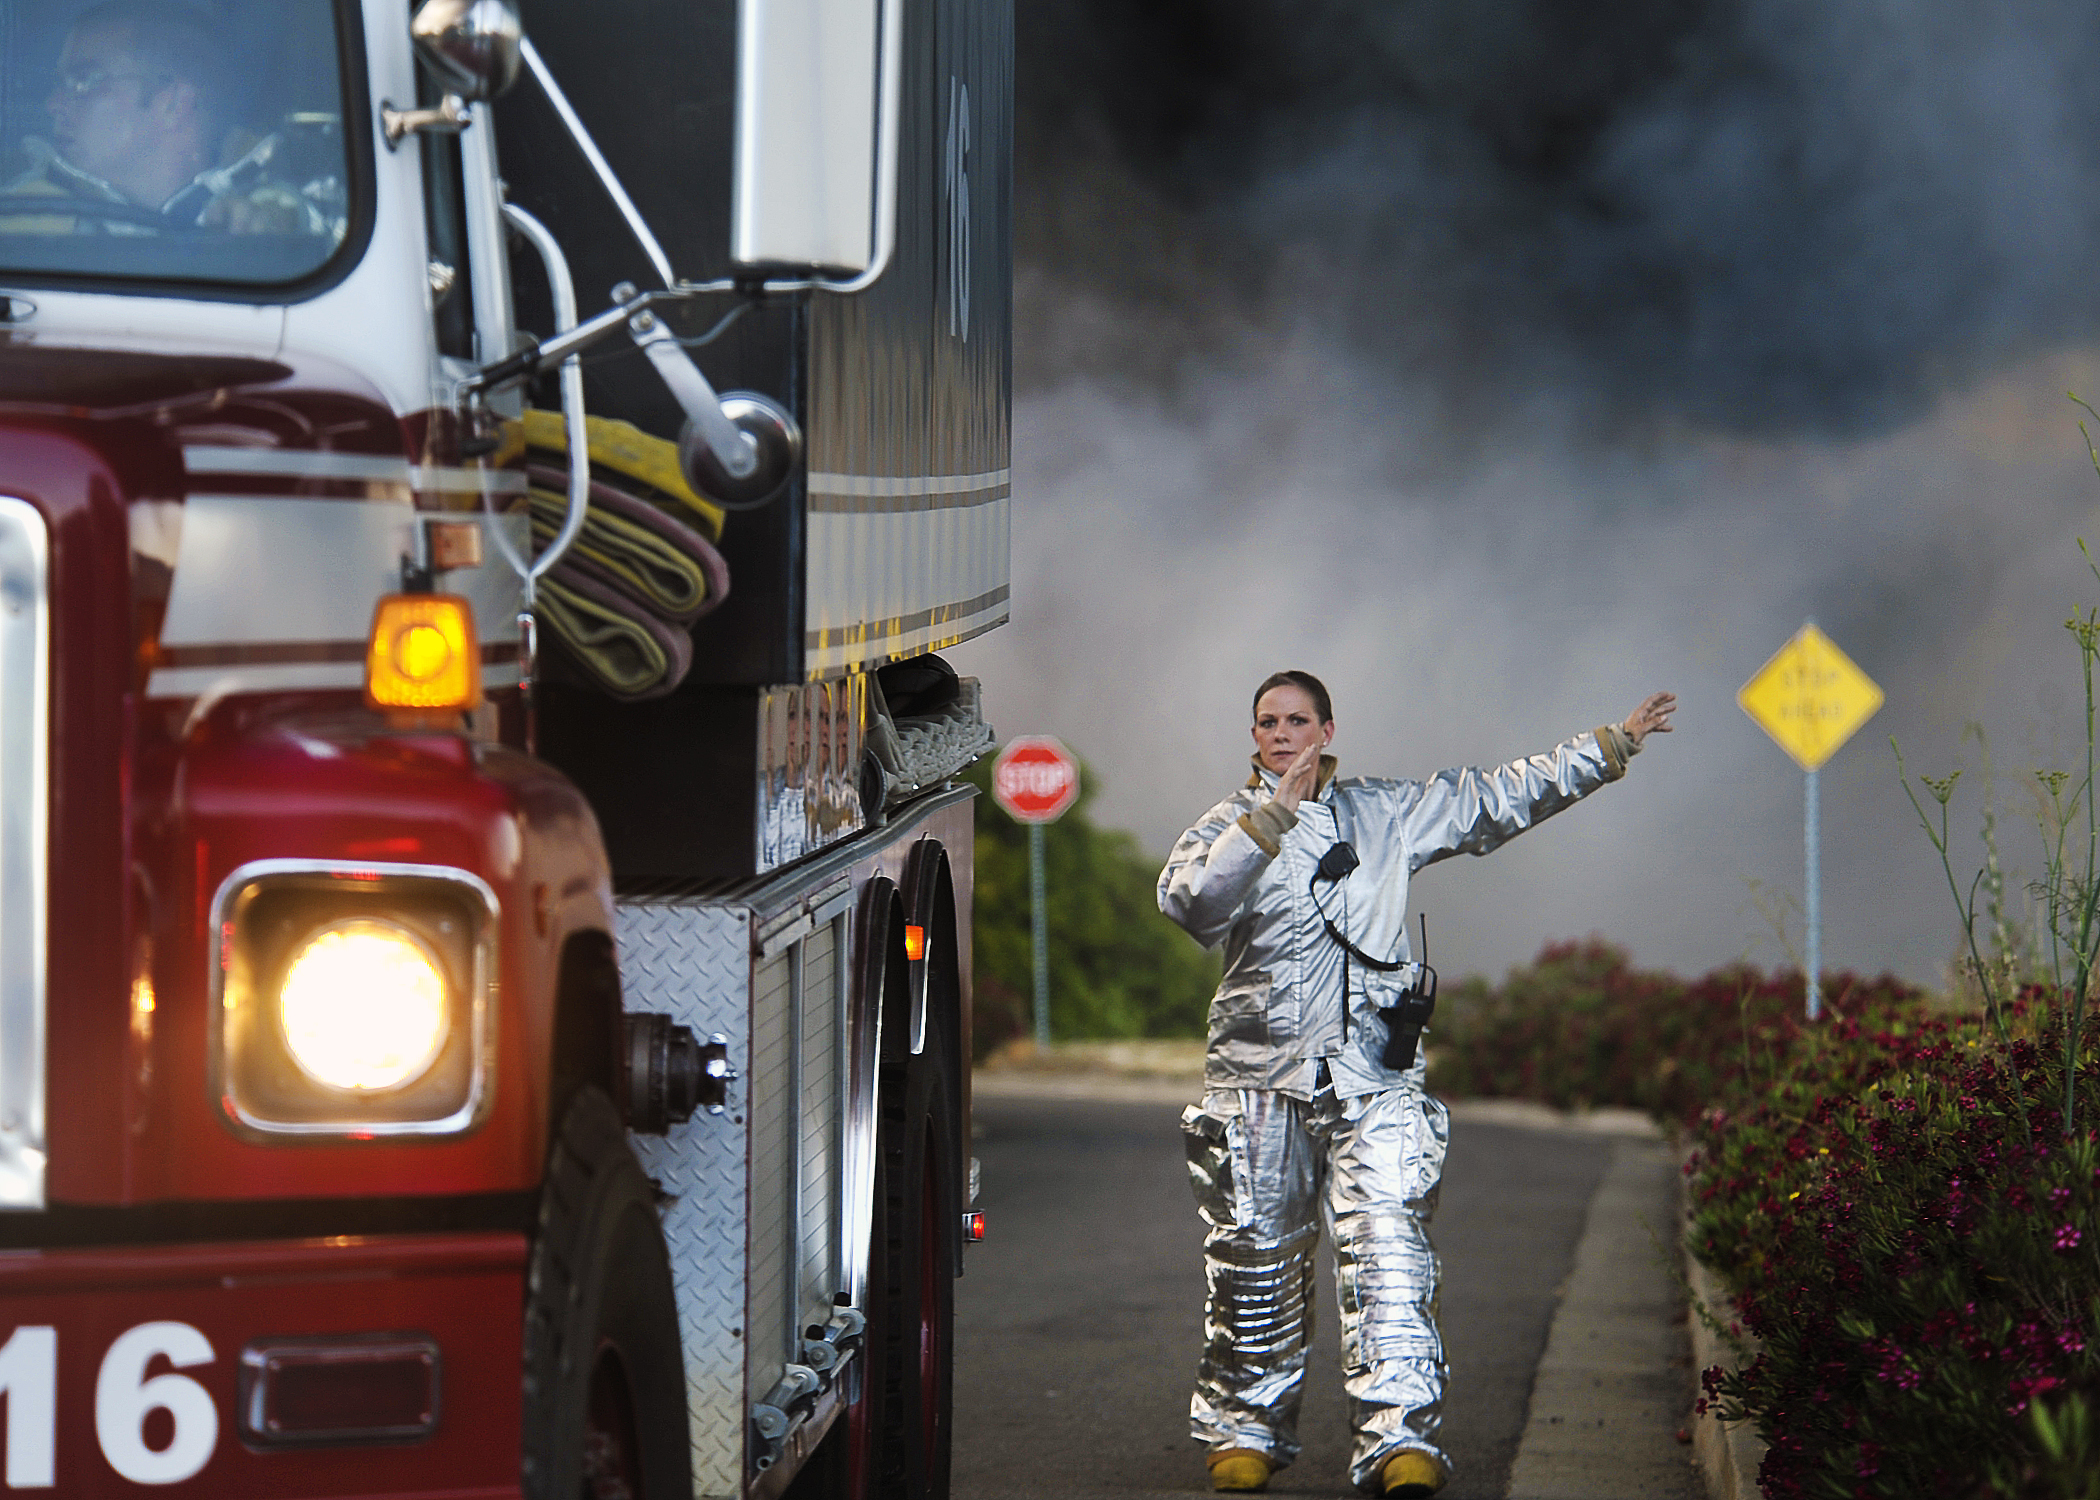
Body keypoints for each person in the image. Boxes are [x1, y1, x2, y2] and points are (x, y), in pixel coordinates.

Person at [1157, 670, 1676, 1496]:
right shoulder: (1227, 826)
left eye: (1297, 720)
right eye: (1268, 722)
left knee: (1389, 1255)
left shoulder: (1388, 812)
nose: (1282, 734)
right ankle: (1244, 1430)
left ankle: (1401, 1439)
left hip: (1375, 1074)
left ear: (1328, 731)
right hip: (1258, 1078)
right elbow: (1193, 906)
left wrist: (1610, 747)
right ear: (1253, 736)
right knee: (1254, 1258)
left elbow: (1496, 799)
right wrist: (1270, 821)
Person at [2, 1, 323, 235]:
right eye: (60, 83)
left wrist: (286, 218)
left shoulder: (286, 199)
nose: (53, 104)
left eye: (84, 81)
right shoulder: (23, 208)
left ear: (173, 104)